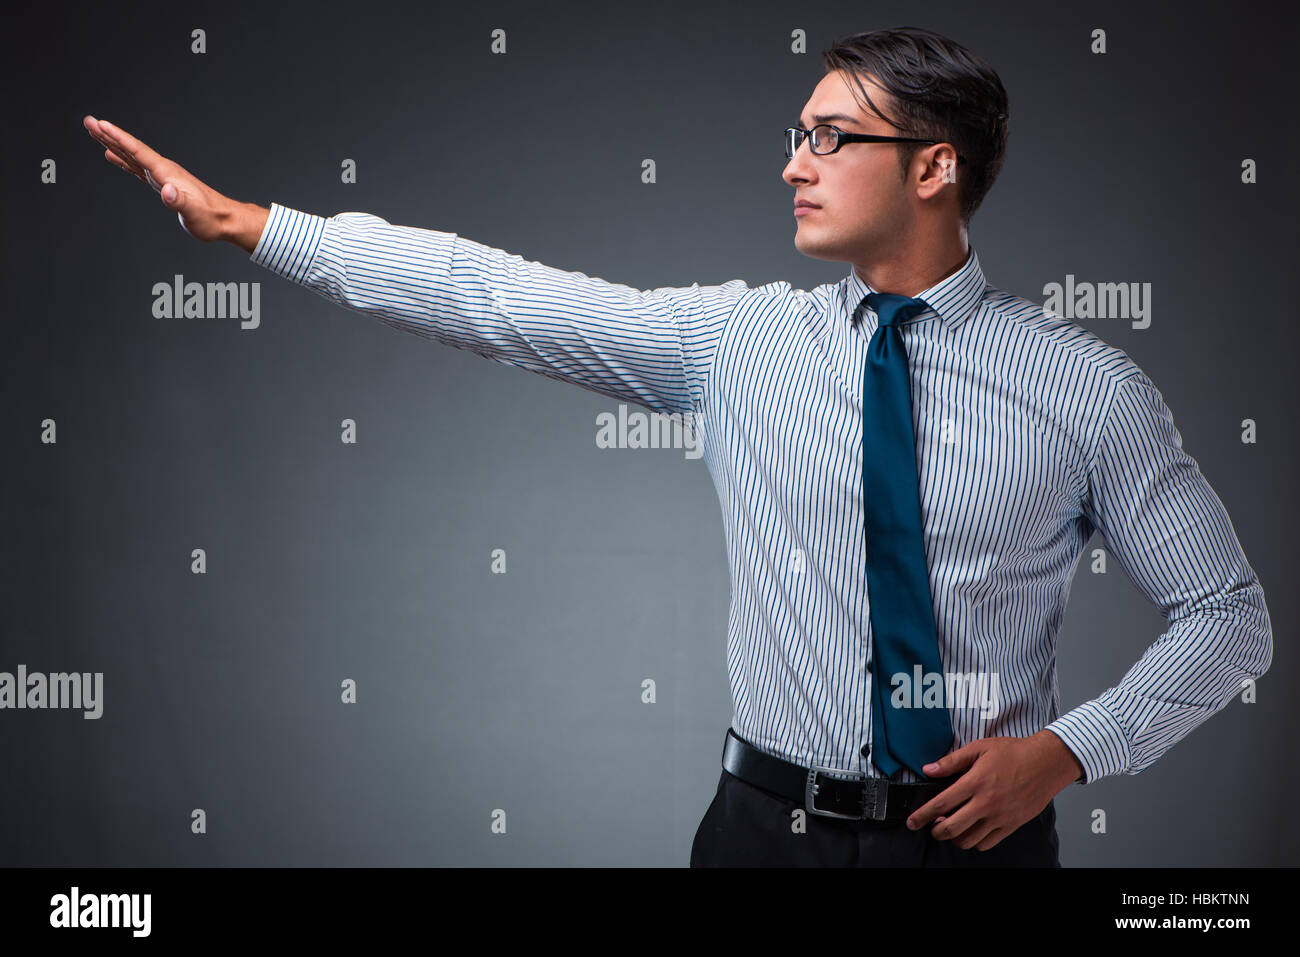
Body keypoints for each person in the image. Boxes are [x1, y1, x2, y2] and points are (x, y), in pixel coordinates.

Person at [83, 25, 1271, 868]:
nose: (792, 162)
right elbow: (497, 297)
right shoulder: (734, 340)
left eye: (829, 137)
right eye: (793, 132)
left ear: (933, 167)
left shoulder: (1087, 387)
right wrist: (257, 227)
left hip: (982, 850)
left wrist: (1066, 754)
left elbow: (1228, 615)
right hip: (764, 837)